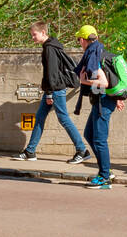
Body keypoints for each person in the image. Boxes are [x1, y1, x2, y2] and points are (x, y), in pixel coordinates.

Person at [15, 21, 89, 164]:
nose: (33, 38)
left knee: (64, 119)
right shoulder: (52, 46)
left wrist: (49, 93)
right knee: (40, 117)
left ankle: (82, 150)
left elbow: (52, 73)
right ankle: (30, 151)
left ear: (43, 32)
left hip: (55, 89)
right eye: (31, 35)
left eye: (34, 35)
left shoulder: (49, 48)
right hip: (54, 88)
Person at [75, 25, 123, 190]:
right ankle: (105, 170)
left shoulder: (94, 56)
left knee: (99, 139)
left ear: (83, 40)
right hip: (102, 99)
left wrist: (84, 82)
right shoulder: (97, 52)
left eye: (79, 40)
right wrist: (116, 97)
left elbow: (104, 82)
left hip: (103, 101)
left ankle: (104, 177)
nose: (79, 43)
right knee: (89, 134)